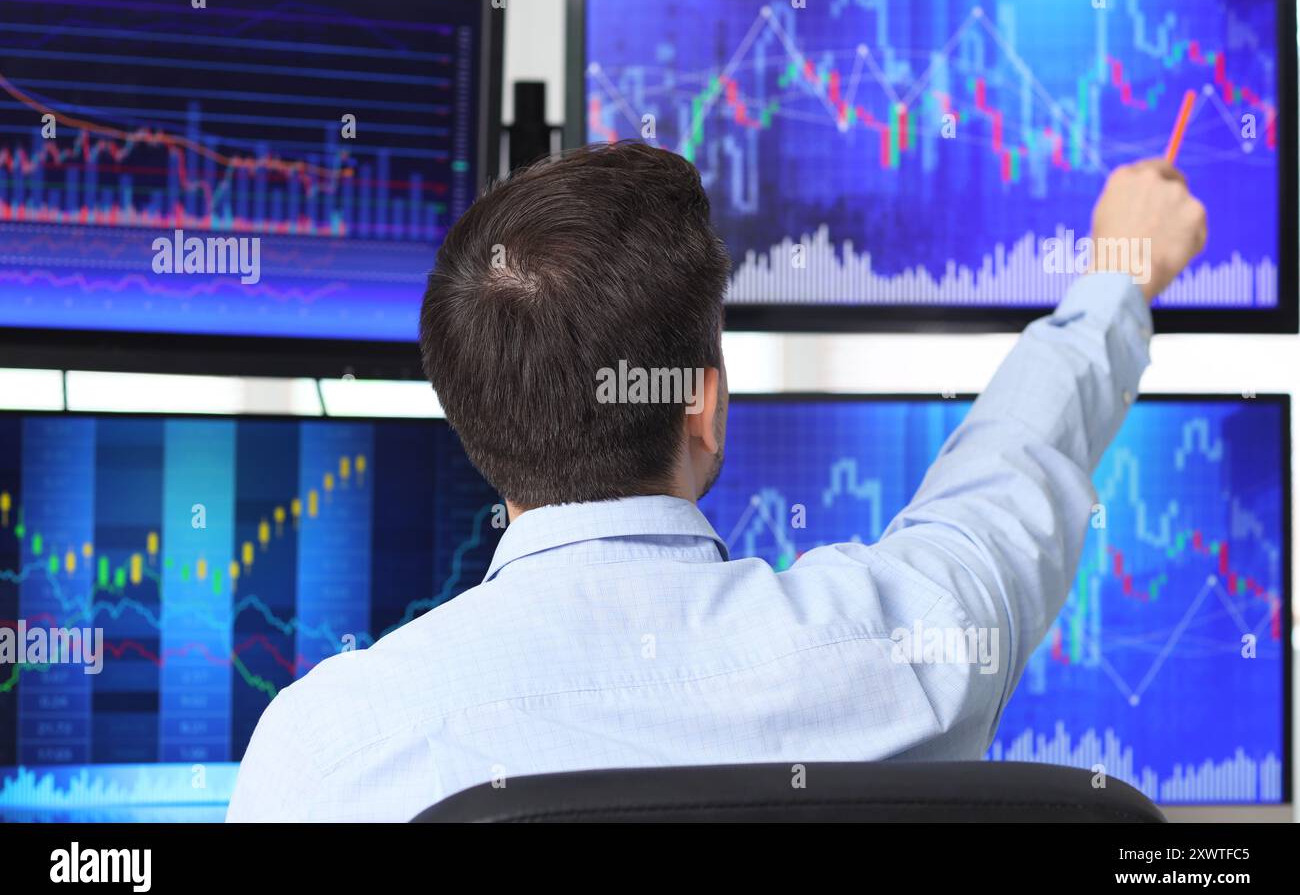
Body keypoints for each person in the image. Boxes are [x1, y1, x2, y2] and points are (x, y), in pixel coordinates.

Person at [227, 143, 1206, 822]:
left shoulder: (322, 751)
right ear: (704, 407)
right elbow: (1011, 474)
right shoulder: (906, 652)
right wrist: (1116, 273)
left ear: (472, 419)